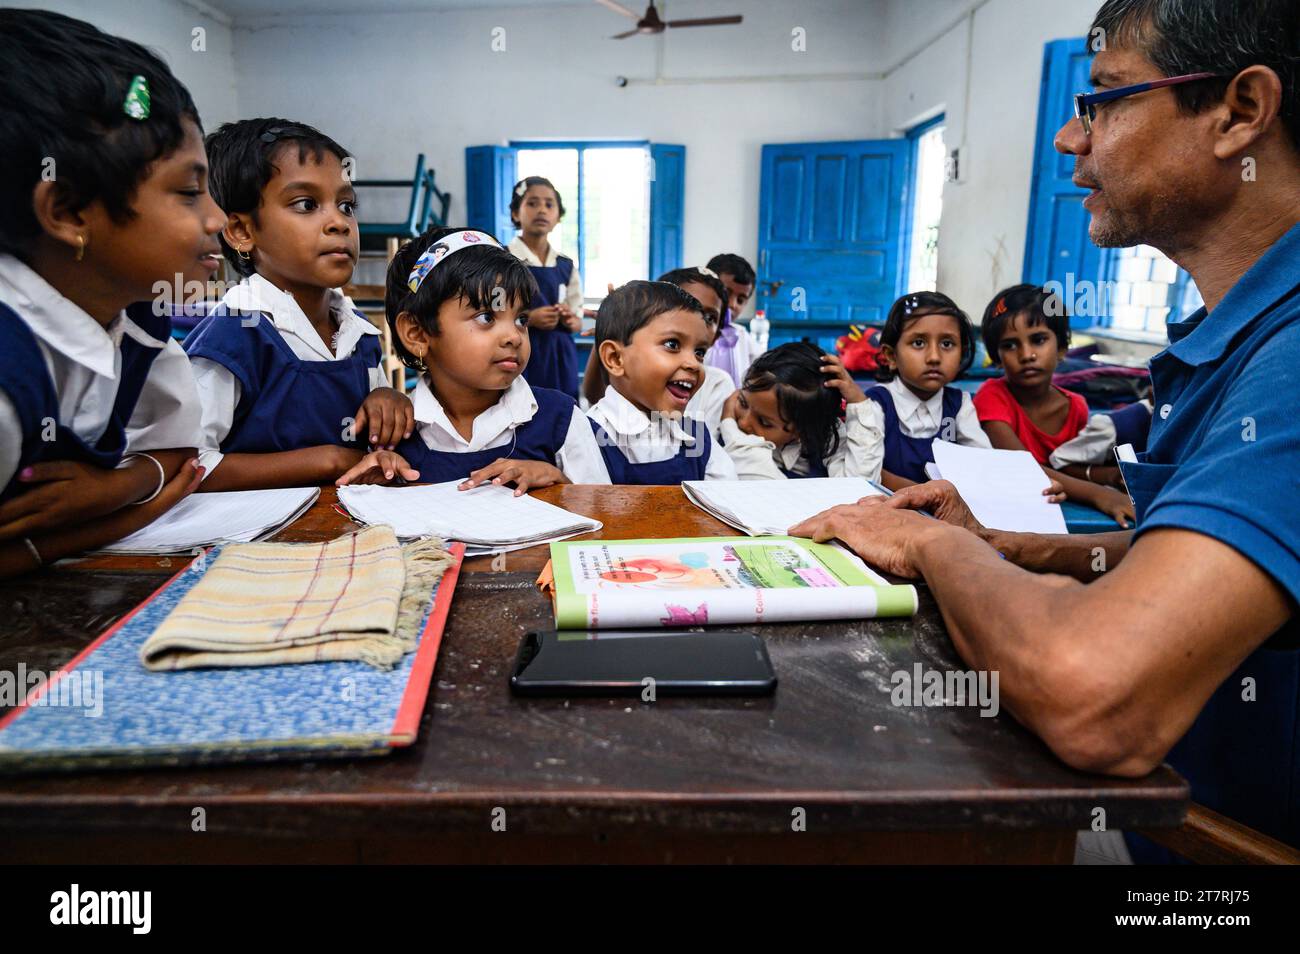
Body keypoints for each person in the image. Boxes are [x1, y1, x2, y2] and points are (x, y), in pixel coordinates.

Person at [790, 0, 1300, 853]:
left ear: (1240, 112)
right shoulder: (1241, 335)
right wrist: (1012, 546)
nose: (1071, 140)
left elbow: (1093, 693)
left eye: (1102, 99)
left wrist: (927, 547)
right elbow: (1191, 568)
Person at [0, 9, 214, 577]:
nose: (216, 218)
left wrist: (115, 489)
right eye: (190, 191)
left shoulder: (137, 320)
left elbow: (180, 461)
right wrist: (134, 503)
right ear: (68, 212)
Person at [184, 118, 413, 490]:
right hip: (255, 542)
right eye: (307, 204)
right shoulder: (233, 336)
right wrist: (327, 460)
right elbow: (191, 465)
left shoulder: (360, 334)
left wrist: (388, 400)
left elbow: (375, 449)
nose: (339, 222)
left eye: (346, 205)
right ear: (243, 232)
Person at [338, 227, 606, 493]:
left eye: (521, 319)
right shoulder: (390, 435)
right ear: (417, 333)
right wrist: (382, 488)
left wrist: (559, 483)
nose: (513, 336)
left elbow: (605, 516)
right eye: (486, 317)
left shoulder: (562, 419)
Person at [974, 283, 1134, 524]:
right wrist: (1100, 495)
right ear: (997, 358)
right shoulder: (992, 396)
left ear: (1061, 348)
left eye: (1038, 340)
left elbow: (1069, 466)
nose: (1026, 355)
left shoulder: (1076, 406)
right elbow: (1020, 467)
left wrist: (1110, 476)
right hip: (1013, 513)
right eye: (1009, 345)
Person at [587, 281, 737, 484]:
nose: (694, 364)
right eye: (672, 344)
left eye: (699, 352)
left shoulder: (698, 439)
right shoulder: (584, 436)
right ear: (615, 358)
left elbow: (727, 503)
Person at [862, 291, 991, 488]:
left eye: (947, 344)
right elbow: (867, 471)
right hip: (885, 509)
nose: (934, 357)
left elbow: (983, 463)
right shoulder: (876, 404)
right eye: (918, 343)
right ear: (891, 356)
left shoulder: (958, 405)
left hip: (944, 514)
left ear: (962, 354)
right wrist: (927, 495)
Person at [718, 342, 876, 480]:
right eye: (743, 403)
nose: (744, 422)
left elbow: (856, 485)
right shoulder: (715, 429)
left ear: (802, 432)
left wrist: (858, 403)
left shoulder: (826, 439)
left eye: (764, 422)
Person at [507, 177, 584, 399]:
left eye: (549, 204)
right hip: (519, 353)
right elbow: (492, 310)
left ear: (558, 217)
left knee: (564, 414)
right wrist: (528, 318)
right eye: (532, 203)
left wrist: (570, 320)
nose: (542, 209)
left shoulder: (565, 265)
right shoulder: (503, 259)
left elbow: (578, 319)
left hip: (561, 356)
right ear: (515, 213)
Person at [705, 252, 763, 387]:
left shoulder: (741, 335)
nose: (732, 304)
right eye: (726, 292)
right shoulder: (691, 330)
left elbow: (769, 364)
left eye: (741, 300)